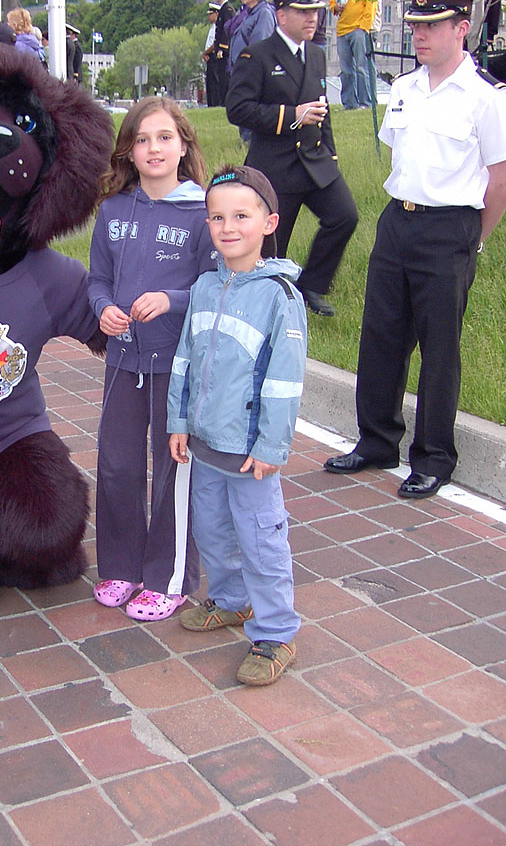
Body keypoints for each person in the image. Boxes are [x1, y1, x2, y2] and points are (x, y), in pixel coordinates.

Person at [324, 0, 506, 498]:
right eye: (416, 27)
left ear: (462, 28)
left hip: (450, 227)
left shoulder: (485, 97)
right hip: (397, 220)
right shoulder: (404, 88)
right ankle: (377, 441)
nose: (419, 36)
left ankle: (433, 457)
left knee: (439, 347)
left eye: (431, 26)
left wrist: (472, 240)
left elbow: (499, 179)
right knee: (381, 336)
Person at [168, 165, 306, 685]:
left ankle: (275, 633)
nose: (228, 227)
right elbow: (185, 358)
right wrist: (179, 420)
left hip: (251, 455)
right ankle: (230, 600)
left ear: (269, 222)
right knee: (212, 528)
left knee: (261, 539)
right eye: (217, 217)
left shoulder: (280, 297)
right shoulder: (205, 287)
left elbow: (284, 381)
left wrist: (273, 445)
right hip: (205, 447)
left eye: (241, 216)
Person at [88, 96, 216, 621]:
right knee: (116, 464)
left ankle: (169, 575)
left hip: (177, 365)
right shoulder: (114, 210)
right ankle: (120, 566)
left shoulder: (203, 211)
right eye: (142, 140)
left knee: (173, 468)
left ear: (184, 144)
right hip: (122, 360)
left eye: (164, 137)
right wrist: (102, 309)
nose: (153, 148)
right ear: (129, 152)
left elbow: (215, 284)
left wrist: (171, 300)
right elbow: (97, 278)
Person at [227, 0, 358, 317]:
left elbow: (321, 109)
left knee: (345, 216)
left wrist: (330, 152)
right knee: (272, 248)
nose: (312, 18)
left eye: (314, 11)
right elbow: (237, 109)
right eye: (303, 11)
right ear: (281, 15)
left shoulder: (315, 55)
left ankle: (311, 285)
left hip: (314, 161)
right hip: (275, 165)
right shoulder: (256, 56)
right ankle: (261, 306)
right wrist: (291, 115)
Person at [329, 0, 376, 109]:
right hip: (342, 30)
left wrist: (363, 28)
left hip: (358, 30)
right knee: (346, 70)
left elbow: (370, 8)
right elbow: (332, 4)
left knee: (361, 68)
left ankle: (365, 102)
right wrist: (336, 7)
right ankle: (349, 103)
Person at [209, 0, 236, 106]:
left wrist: (222, 48)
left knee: (224, 77)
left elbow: (227, 30)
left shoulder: (228, 9)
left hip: (224, 51)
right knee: (221, 77)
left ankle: (225, 102)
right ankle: (222, 101)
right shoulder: (223, 10)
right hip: (221, 49)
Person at [202, 2, 220, 107]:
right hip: (209, 57)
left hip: (214, 56)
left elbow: (214, 44)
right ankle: (211, 104)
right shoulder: (212, 27)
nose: (209, 16)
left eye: (211, 14)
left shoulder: (217, 27)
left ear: (216, 14)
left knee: (214, 83)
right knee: (210, 83)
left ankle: (215, 104)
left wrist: (205, 52)